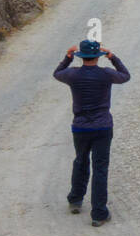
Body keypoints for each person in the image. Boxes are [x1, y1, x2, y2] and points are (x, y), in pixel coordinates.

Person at [53, 39, 130, 225]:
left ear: (81, 57)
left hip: (80, 127)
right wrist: (112, 57)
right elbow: (125, 75)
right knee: (100, 168)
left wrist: (67, 57)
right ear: (98, 56)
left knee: (80, 160)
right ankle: (98, 213)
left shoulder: (72, 75)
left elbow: (57, 73)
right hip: (103, 126)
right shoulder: (106, 74)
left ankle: (75, 199)